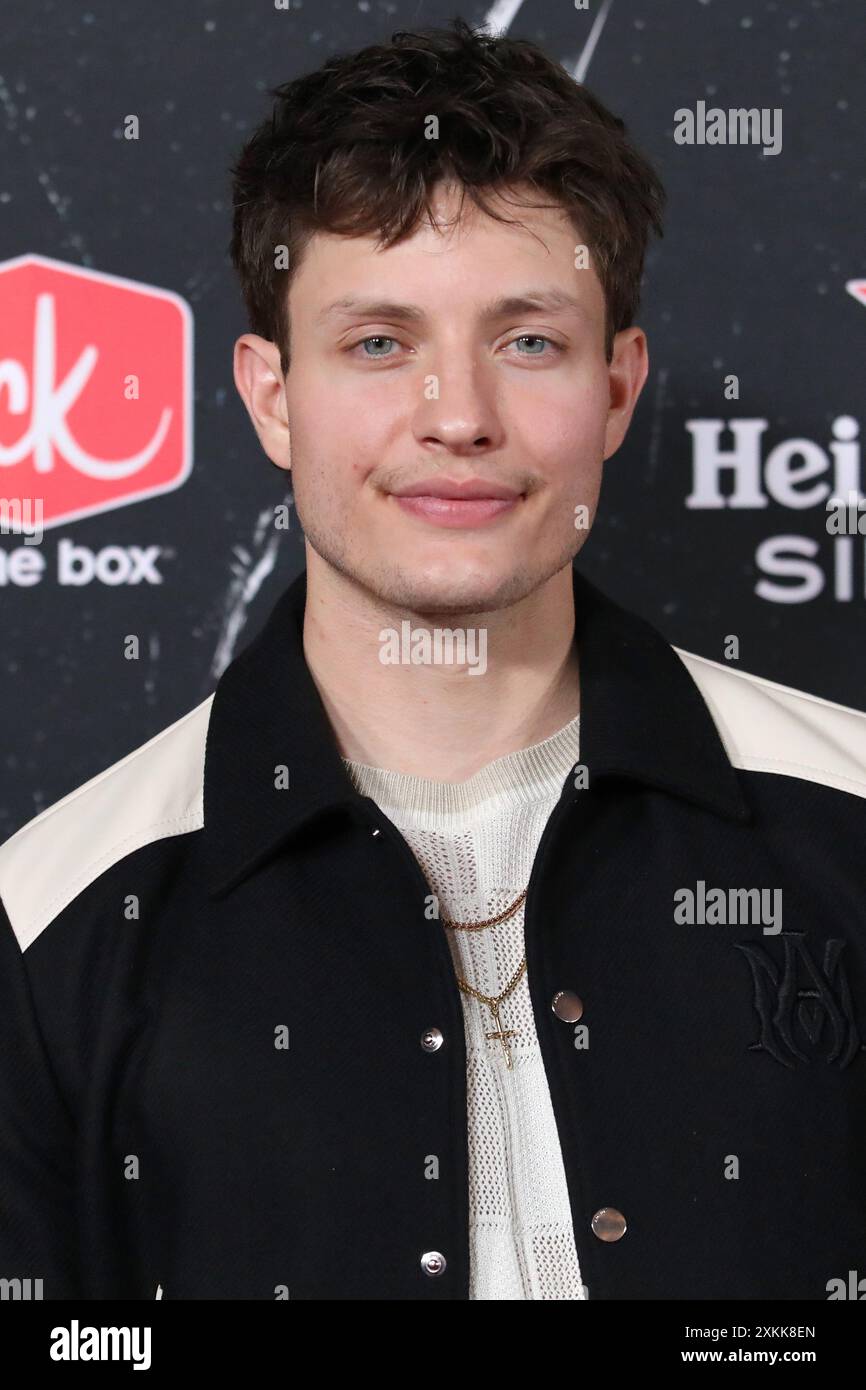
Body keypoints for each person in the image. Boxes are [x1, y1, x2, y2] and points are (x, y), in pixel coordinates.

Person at [1, 17, 864, 1302]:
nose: (456, 416)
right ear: (271, 393)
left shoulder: (846, 819)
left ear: (618, 388)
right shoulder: (54, 917)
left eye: (527, 341)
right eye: (376, 344)